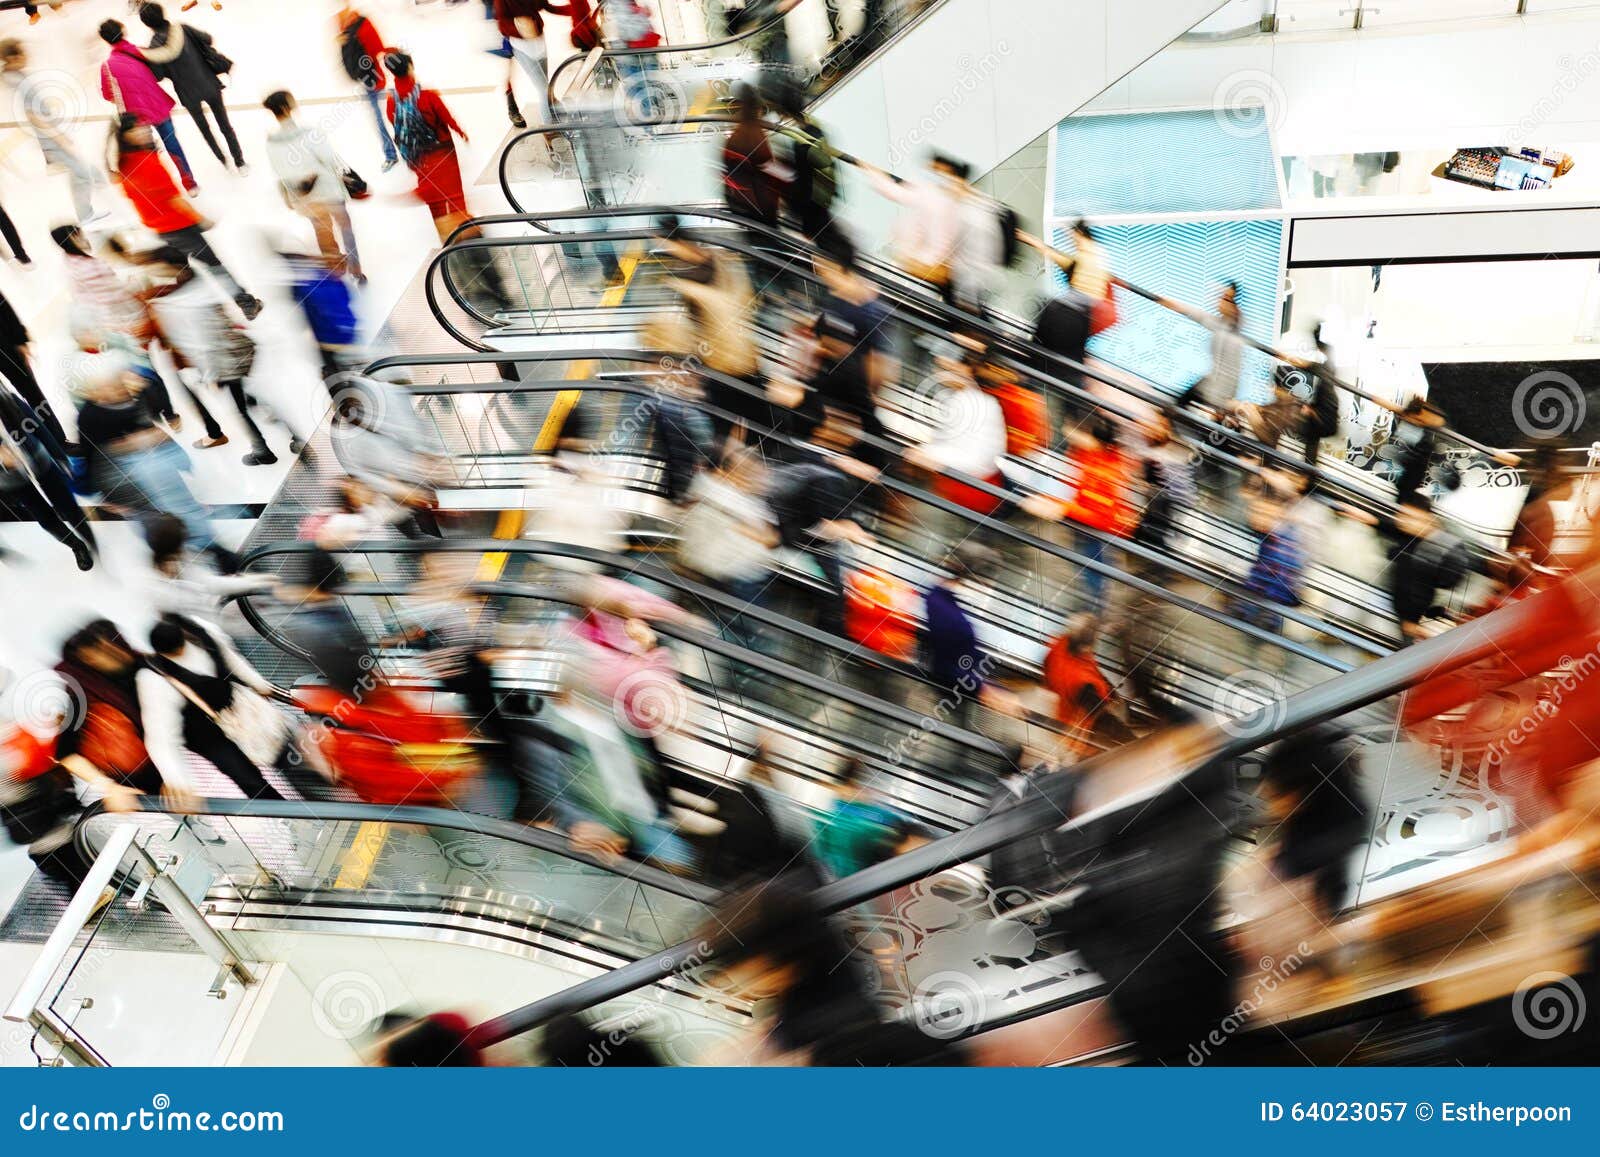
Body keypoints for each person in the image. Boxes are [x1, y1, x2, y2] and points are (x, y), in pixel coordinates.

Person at [139, 614, 310, 802]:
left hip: (239, 706)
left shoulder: (202, 630)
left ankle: (307, 783)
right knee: (248, 775)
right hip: (208, 729)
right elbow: (160, 737)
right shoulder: (156, 679)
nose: (182, 652)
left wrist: (260, 685)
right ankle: (289, 802)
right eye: (177, 651)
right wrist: (177, 780)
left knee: (281, 744)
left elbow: (230, 658)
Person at [107, 114, 262, 318]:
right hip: (179, 226)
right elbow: (174, 199)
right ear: (126, 137)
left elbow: (125, 188)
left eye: (145, 127)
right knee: (213, 266)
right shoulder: (149, 162)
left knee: (184, 272)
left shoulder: (124, 165)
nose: (145, 131)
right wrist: (201, 219)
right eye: (138, 129)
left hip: (160, 229)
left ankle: (204, 311)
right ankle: (246, 304)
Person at [0, 39, 107, 224]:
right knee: (81, 173)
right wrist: (58, 137)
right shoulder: (18, 82)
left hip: (45, 137)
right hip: (47, 138)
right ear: (12, 57)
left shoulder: (14, 77)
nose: (27, 57)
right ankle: (86, 214)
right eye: (22, 53)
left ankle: (99, 182)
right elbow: (33, 115)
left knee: (81, 167)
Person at [264, 90, 363, 282]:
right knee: (345, 228)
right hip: (328, 190)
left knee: (321, 230)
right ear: (286, 107)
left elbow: (278, 172)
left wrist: (287, 196)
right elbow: (328, 159)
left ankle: (336, 267)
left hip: (303, 197)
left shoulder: (272, 142)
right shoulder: (309, 133)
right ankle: (356, 269)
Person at [137, 3, 243, 172]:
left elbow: (158, 76)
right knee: (225, 124)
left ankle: (223, 160)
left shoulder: (154, 47)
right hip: (208, 83)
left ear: (147, 24)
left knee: (205, 130)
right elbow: (208, 38)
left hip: (187, 94)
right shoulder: (182, 29)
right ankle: (239, 161)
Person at [98, 19, 196, 192]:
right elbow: (157, 72)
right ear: (123, 31)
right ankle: (189, 182)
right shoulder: (140, 52)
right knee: (172, 144)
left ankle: (162, 188)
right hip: (156, 105)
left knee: (148, 154)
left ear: (106, 40)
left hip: (136, 117)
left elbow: (108, 95)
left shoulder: (106, 66)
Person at [385, 52, 472, 240]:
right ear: (409, 68)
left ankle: (444, 234)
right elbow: (446, 117)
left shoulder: (392, 101)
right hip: (441, 148)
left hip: (418, 155)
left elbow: (394, 124)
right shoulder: (427, 96)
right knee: (452, 190)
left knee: (433, 194)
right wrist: (460, 131)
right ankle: (463, 228)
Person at [862, 152, 961, 299]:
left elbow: (894, 192)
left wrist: (870, 169)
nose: (930, 172)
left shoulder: (934, 196)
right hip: (923, 267)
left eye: (935, 169)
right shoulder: (948, 201)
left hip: (921, 267)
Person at [1041, 613, 1124, 760]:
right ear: (1087, 646)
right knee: (1124, 749)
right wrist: (1112, 697)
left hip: (1064, 714)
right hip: (1088, 736)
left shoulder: (1059, 645)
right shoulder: (1084, 684)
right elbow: (1097, 713)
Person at [335, 5, 398, 171]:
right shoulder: (343, 27)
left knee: (385, 115)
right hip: (368, 79)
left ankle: (394, 152)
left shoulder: (362, 26)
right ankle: (392, 153)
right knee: (380, 117)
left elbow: (376, 48)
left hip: (374, 77)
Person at [0, 290, 66, 450]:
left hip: (6, 347)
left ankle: (58, 442)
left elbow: (4, 308)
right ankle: (32, 452)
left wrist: (20, 339)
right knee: (6, 409)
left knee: (32, 393)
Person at [721, 84, 780, 227]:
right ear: (756, 109)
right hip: (761, 205)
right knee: (769, 238)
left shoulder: (736, 135)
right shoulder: (755, 135)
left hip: (746, 204)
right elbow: (767, 171)